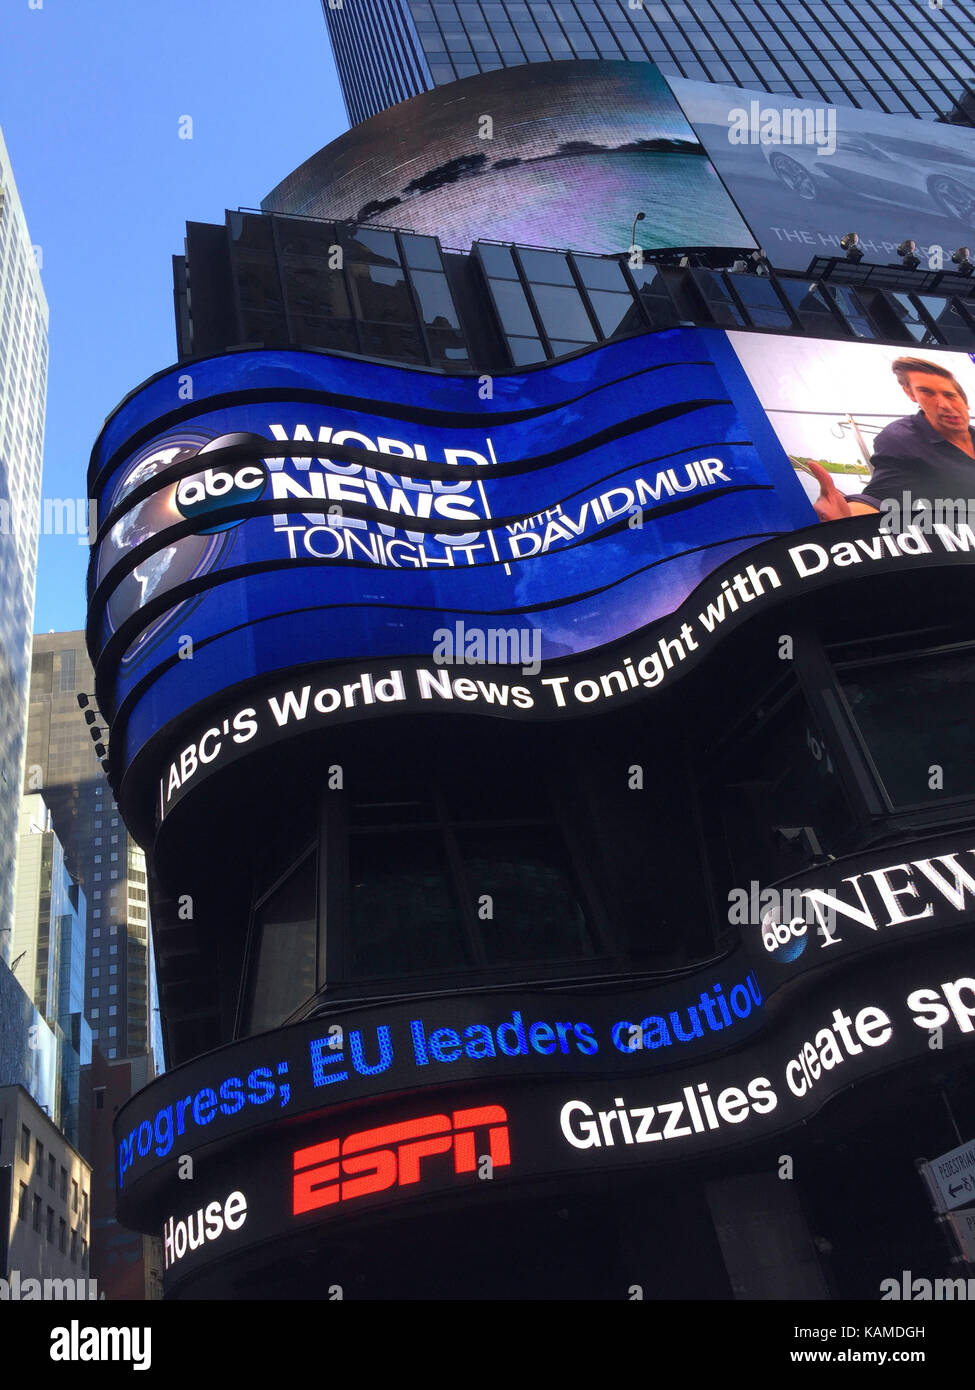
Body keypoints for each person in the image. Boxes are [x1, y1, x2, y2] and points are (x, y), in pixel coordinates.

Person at [812, 356, 975, 522]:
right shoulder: (904, 439)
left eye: (950, 395)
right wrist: (849, 516)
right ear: (911, 394)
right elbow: (883, 497)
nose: (945, 405)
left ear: (965, 401)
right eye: (927, 392)